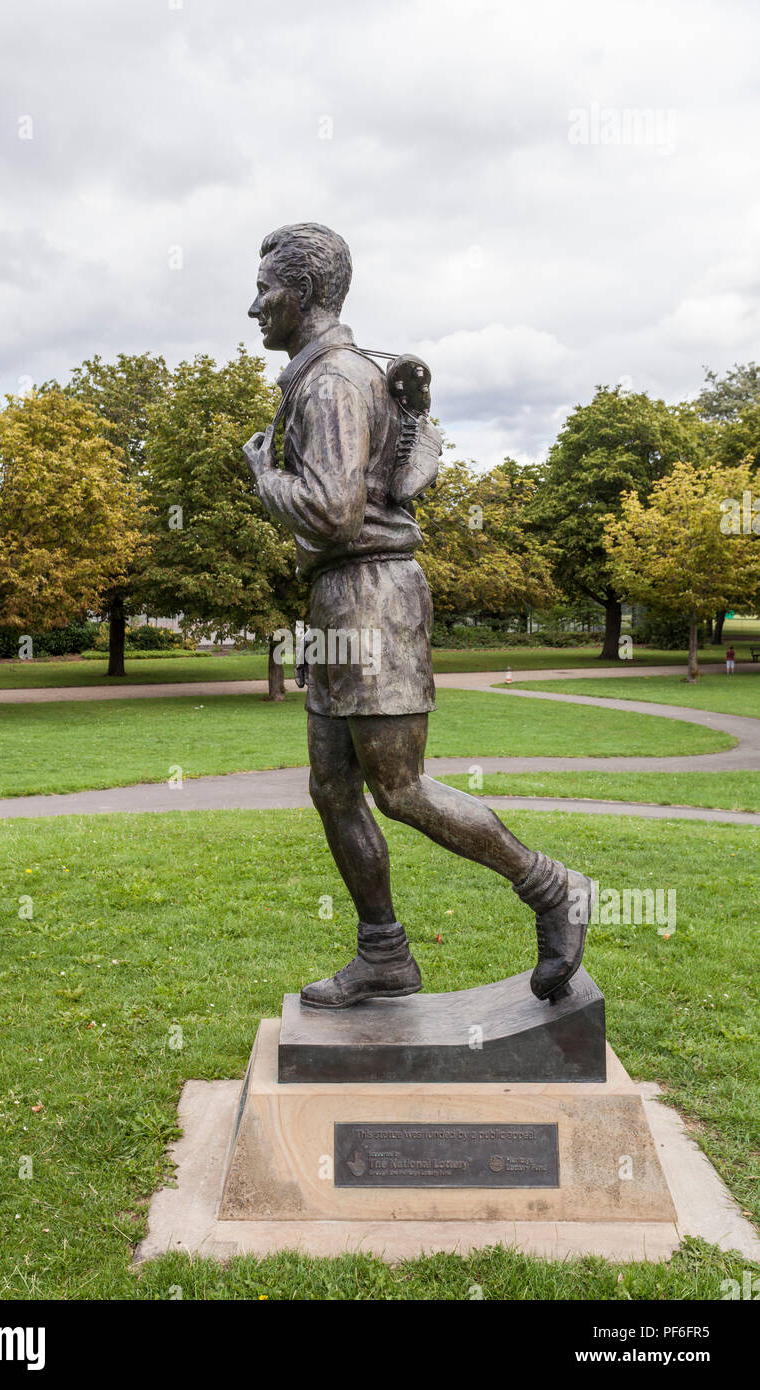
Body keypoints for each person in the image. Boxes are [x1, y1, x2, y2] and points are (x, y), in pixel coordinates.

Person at [243, 222, 593, 1009]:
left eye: (265, 289)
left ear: (304, 291)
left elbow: (331, 513)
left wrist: (265, 478)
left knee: (397, 788)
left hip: (371, 593)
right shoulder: (318, 376)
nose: (254, 305)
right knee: (333, 790)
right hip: (341, 597)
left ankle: (555, 890)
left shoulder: (333, 379)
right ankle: (384, 956)